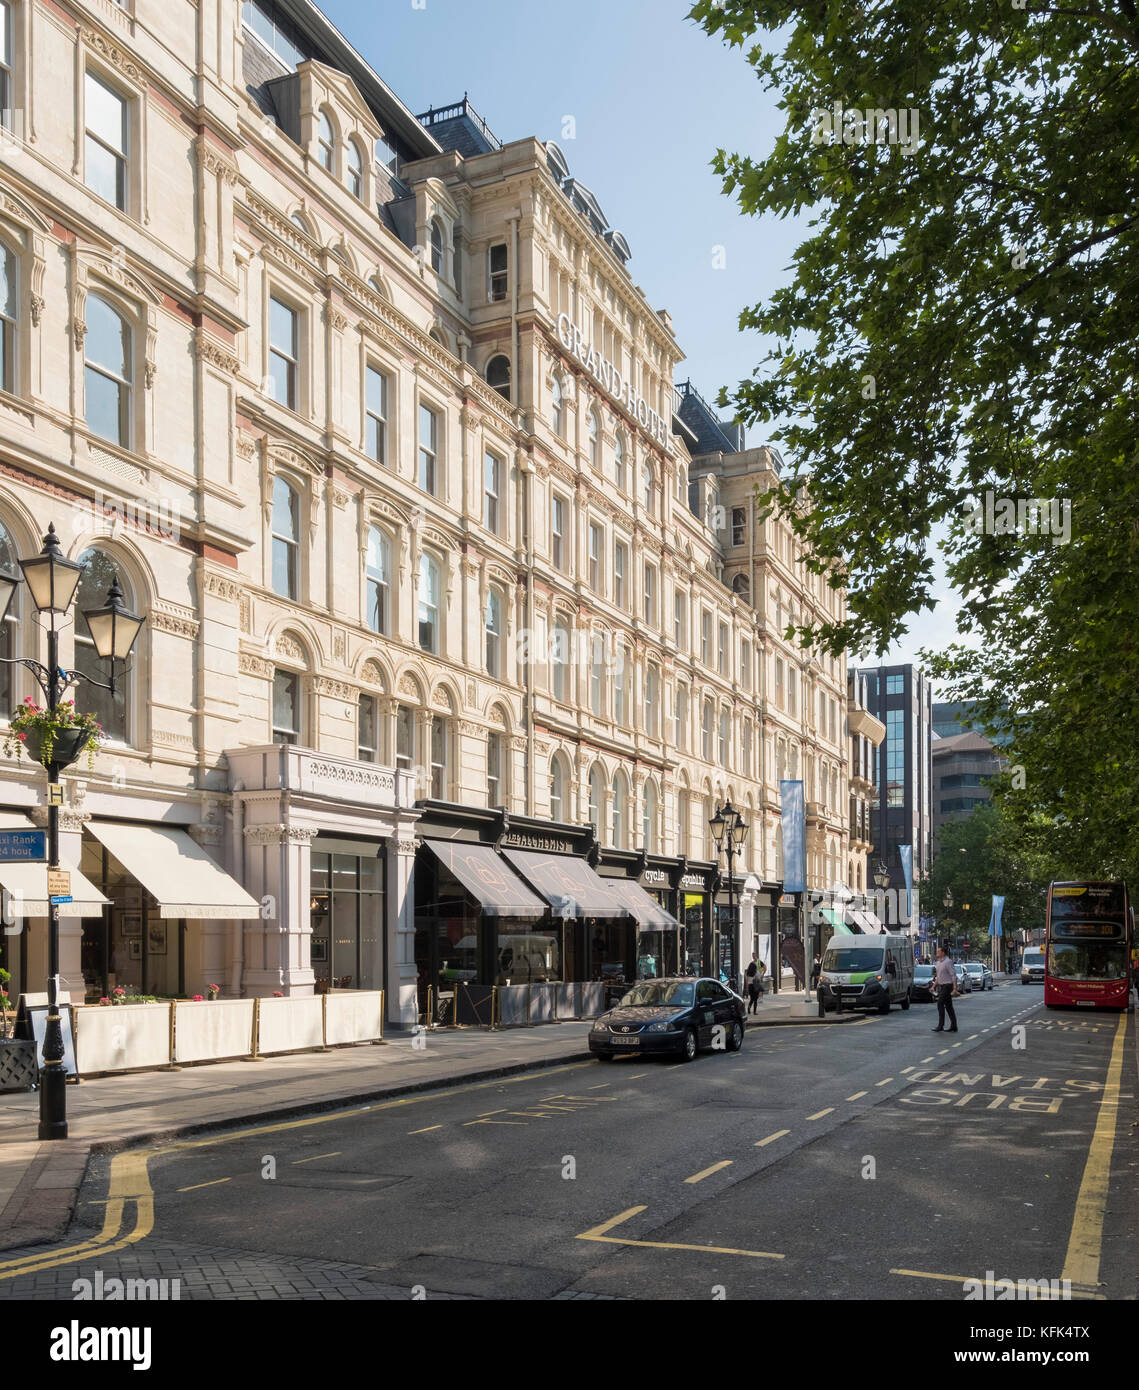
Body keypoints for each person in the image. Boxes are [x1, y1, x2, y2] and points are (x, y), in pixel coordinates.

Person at [932, 945, 959, 1033]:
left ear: (943, 953)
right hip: (942, 986)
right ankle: (954, 1026)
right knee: (948, 1006)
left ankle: (941, 1025)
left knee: (940, 1003)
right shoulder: (938, 963)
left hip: (948, 986)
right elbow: (939, 977)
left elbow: (953, 975)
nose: (937, 953)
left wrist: (955, 988)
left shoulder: (948, 962)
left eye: (938, 951)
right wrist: (933, 986)